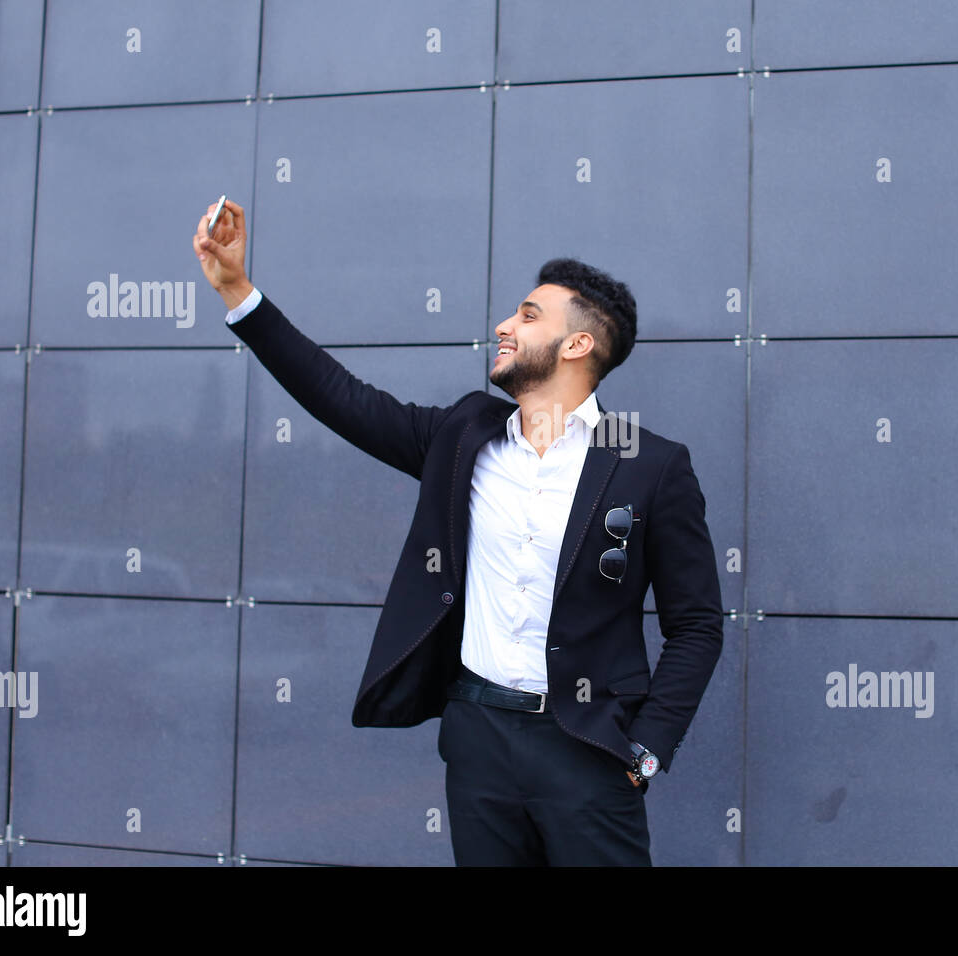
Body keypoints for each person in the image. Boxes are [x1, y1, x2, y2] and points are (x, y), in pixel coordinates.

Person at [193, 199, 723, 865]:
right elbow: (344, 398)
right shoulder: (465, 432)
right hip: (479, 736)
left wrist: (646, 746)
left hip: (588, 748)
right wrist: (240, 293)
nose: (504, 324)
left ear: (578, 344)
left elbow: (698, 622)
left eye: (529, 315)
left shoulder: (650, 463)